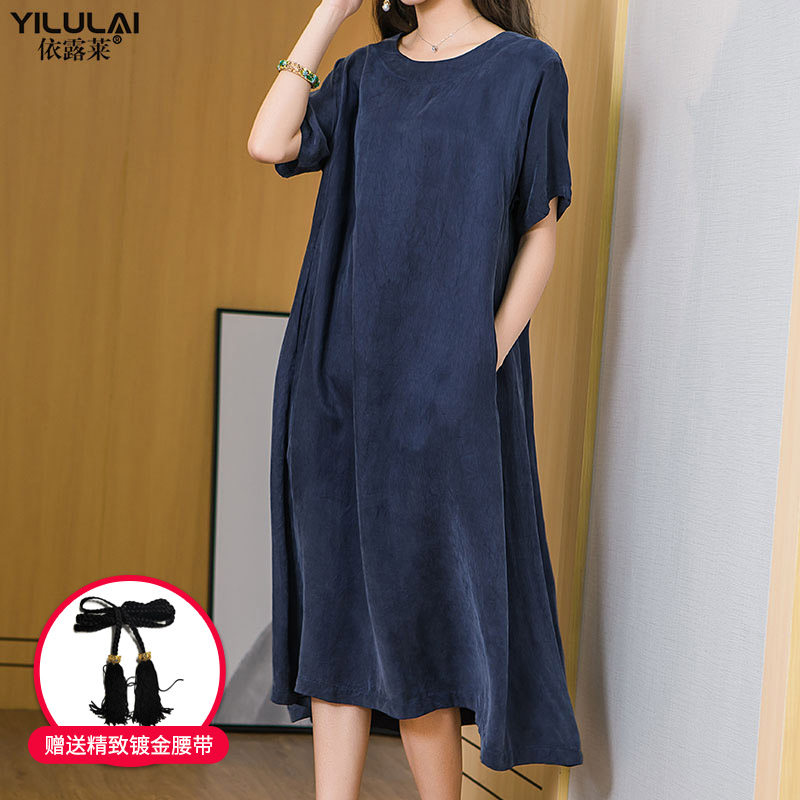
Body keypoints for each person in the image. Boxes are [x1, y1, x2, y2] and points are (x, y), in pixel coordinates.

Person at [248, 0, 583, 796]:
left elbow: (539, 231)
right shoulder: (365, 74)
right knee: (337, 615)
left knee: (423, 616)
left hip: (444, 390)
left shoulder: (526, 69)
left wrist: (479, 359)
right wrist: (329, 13)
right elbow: (270, 141)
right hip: (334, 383)